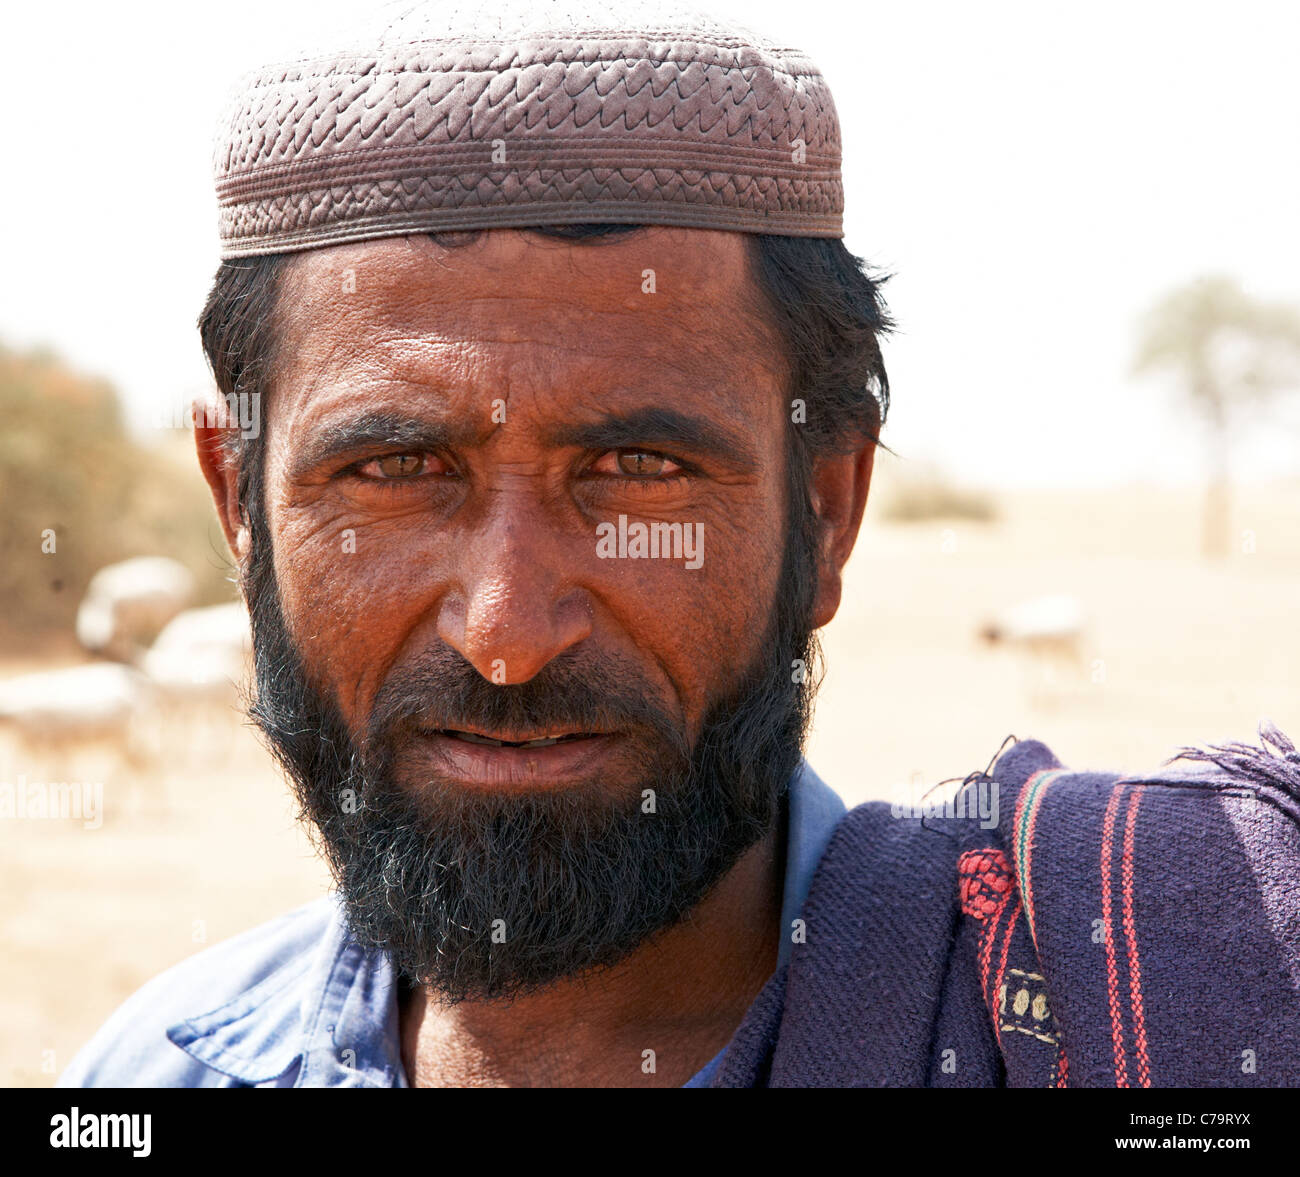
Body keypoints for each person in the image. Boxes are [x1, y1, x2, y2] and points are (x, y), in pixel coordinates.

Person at [61, 0, 1300, 1087]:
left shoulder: (1135, 1000)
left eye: (638, 469)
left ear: (826, 510)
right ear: (239, 503)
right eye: (394, 471)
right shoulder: (151, 1072)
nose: (503, 631)